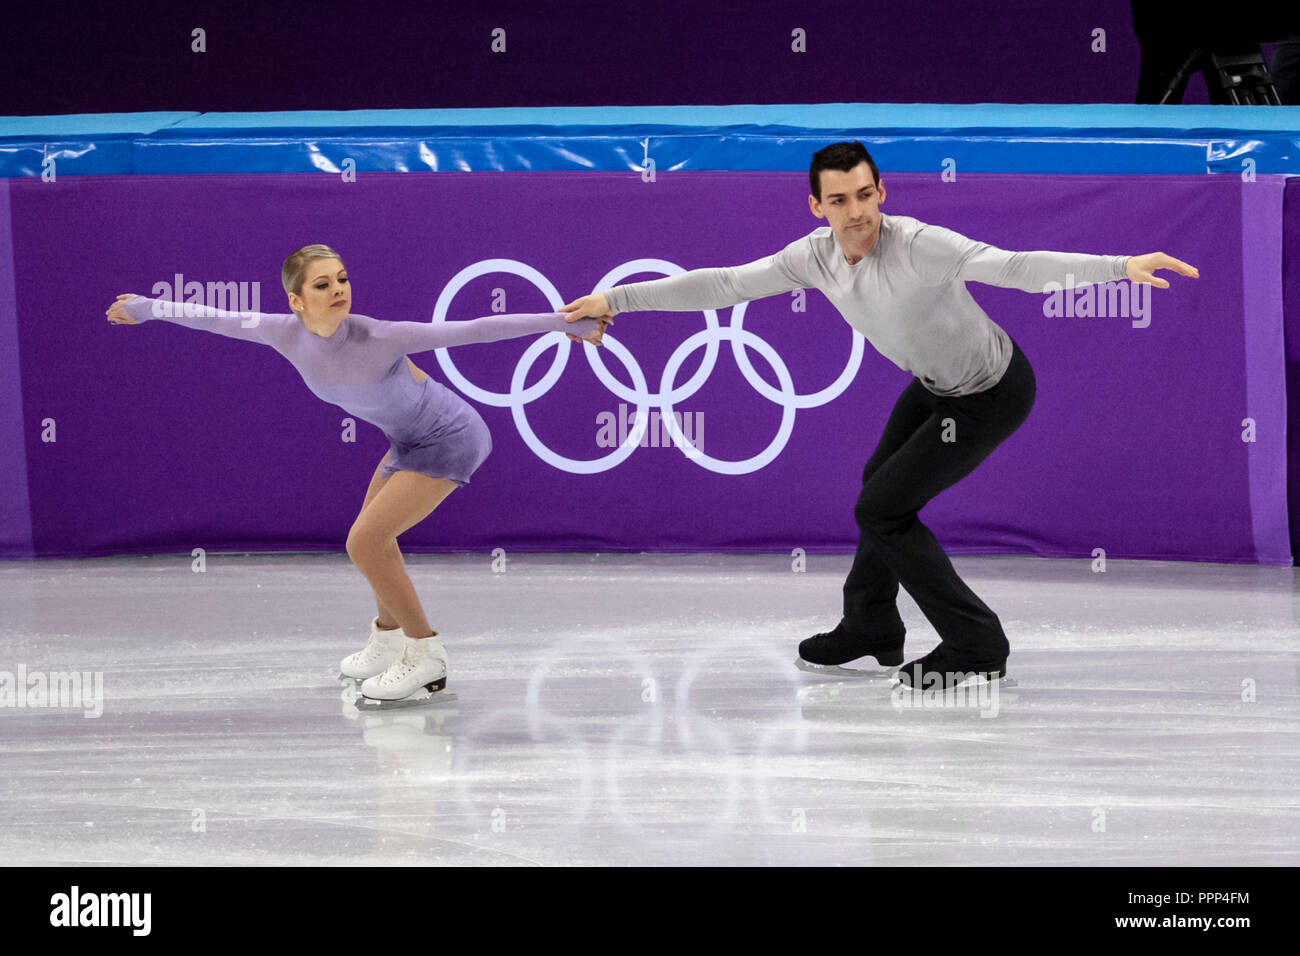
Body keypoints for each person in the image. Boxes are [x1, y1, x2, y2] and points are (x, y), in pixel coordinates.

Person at [561, 141, 1197, 689]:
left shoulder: (921, 245)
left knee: (882, 509)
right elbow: (724, 284)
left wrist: (1117, 267)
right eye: (839, 201)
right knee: (879, 487)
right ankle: (872, 623)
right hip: (935, 386)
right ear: (817, 207)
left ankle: (977, 644)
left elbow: (1015, 269)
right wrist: (617, 299)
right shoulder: (812, 256)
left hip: (991, 391)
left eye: (865, 195)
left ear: (881, 192)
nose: (857, 211)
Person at [106, 245, 606, 704]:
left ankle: (426, 654)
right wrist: (147, 307)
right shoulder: (281, 332)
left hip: (452, 439)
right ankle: (388, 641)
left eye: (341, 279)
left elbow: (474, 328)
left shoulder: (379, 336)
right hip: (407, 443)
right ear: (297, 300)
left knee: (362, 543)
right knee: (376, 541)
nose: (338, 289)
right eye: (322, 284)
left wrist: (564, 323)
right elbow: (213, 317)